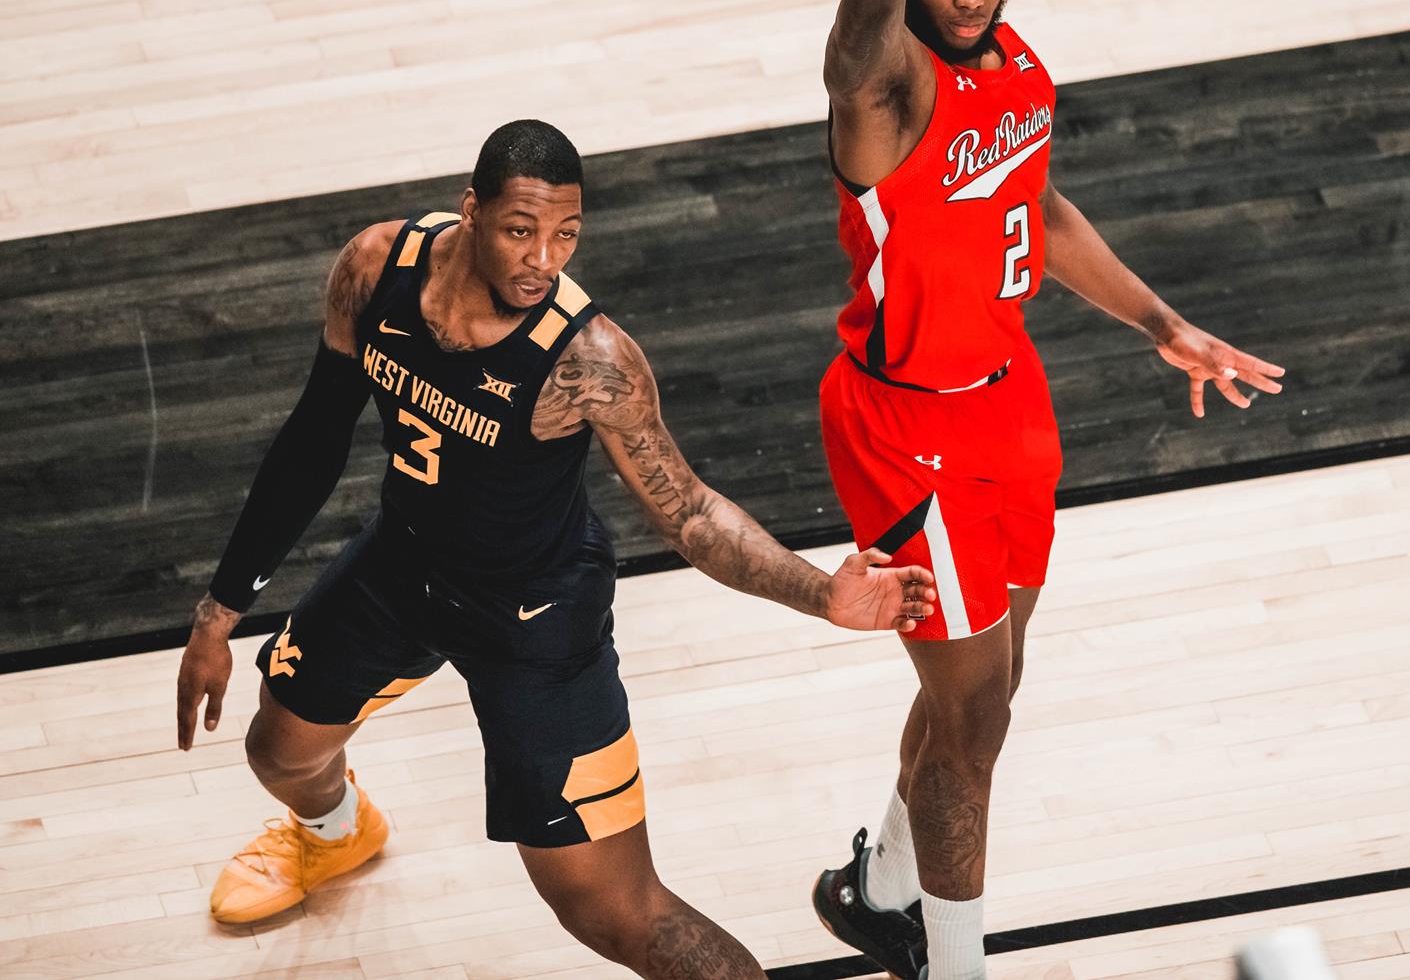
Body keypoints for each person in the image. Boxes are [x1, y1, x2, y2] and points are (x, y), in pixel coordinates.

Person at [174, 119, 936, 980]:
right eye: (520, 230)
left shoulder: (590, 358)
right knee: (278, 750)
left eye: (566, 234)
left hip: (534, 620)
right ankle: (337, 833)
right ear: (470, 212)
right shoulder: (376, 267)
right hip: (405, 566)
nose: (545, 258)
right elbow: (314, 435)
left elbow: (689, 511)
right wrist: (220, 610)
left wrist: (820, 593)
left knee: (618, 913)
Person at [808, 0, 1286, 980]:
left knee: (989, 682)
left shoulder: (1013, 63)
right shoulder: (882, 89)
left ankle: (876, 883)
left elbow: (1041, 206)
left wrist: (1159, 321)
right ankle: (950, 963)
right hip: (904, 429)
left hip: (1008, 402)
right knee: (972, 723)